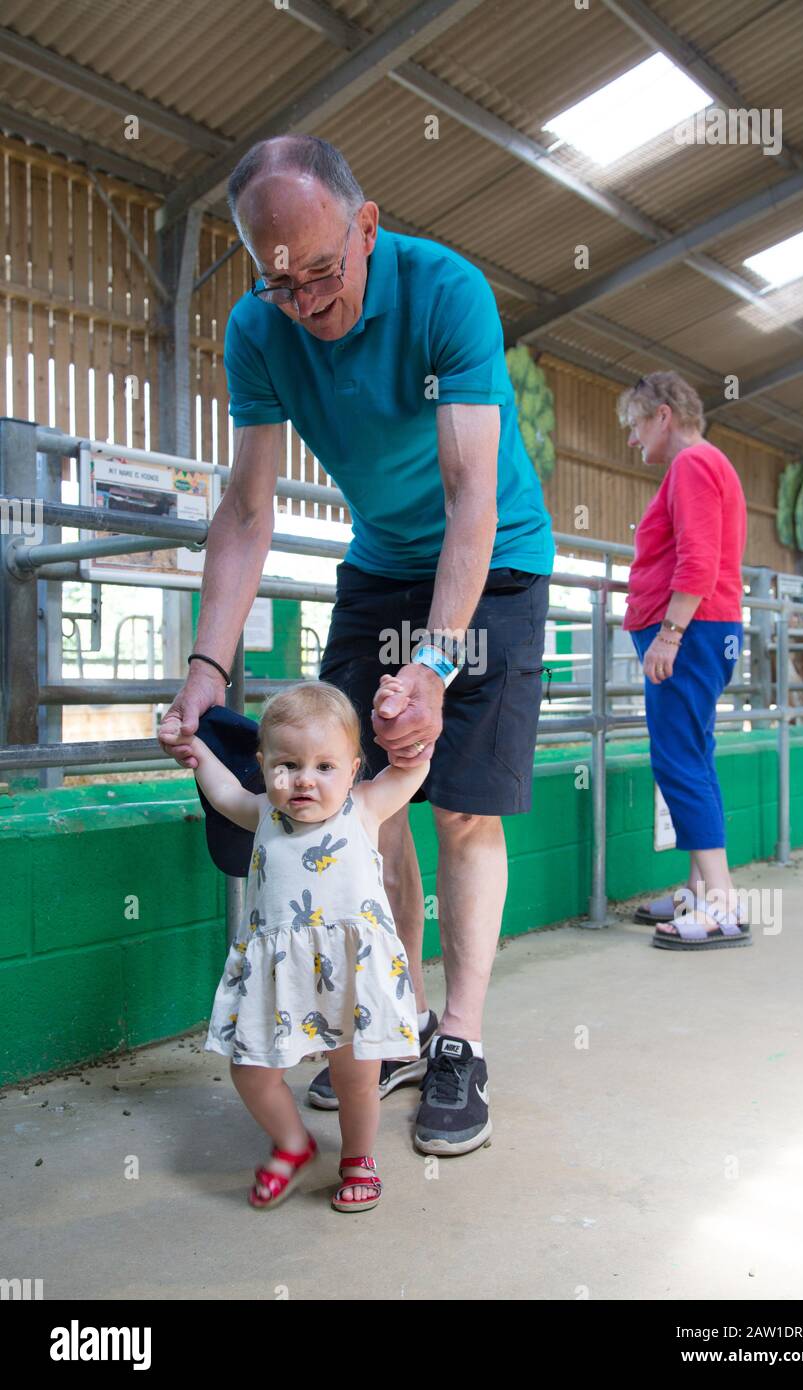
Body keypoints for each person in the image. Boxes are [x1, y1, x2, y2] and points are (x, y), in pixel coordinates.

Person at [158, 133, 554, 1156]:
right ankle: (396, 1019)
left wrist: (431, 664)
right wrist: (207, 668)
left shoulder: (443, 292)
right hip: (379, 566)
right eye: (276, 280)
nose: (302, 301)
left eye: (322, 272)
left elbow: (469, 496)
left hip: (493, 559)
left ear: (366, 227)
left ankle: (460, 1040)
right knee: (356, 800)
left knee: (459, 802)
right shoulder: (260, 330)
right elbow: (245, 511)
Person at [190, 677, 428, 1212]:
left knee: (356, 1078)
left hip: (352, 975)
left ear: (353, 769)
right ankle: (293, 1144)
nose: (304, 780)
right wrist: (194, 748)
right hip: (278, 975)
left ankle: (358, 1157)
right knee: (249, 1069)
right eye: (287, 765)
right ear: (264, 762)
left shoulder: (363, 809)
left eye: (324, 766)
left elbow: (412, 769)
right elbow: (224, 791)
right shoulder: (262, 816)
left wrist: (406, 729)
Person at [617, 372, 750, 950]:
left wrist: (669, 632)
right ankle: (701, 893)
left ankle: (720, 906)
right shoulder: (709, 463)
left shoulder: (692, 465)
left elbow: (698, 557)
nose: (632, 439)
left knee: (677, 760)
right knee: (694, 755)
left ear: (662, 415)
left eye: (635, 424)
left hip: (691, 631)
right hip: (708, 628)